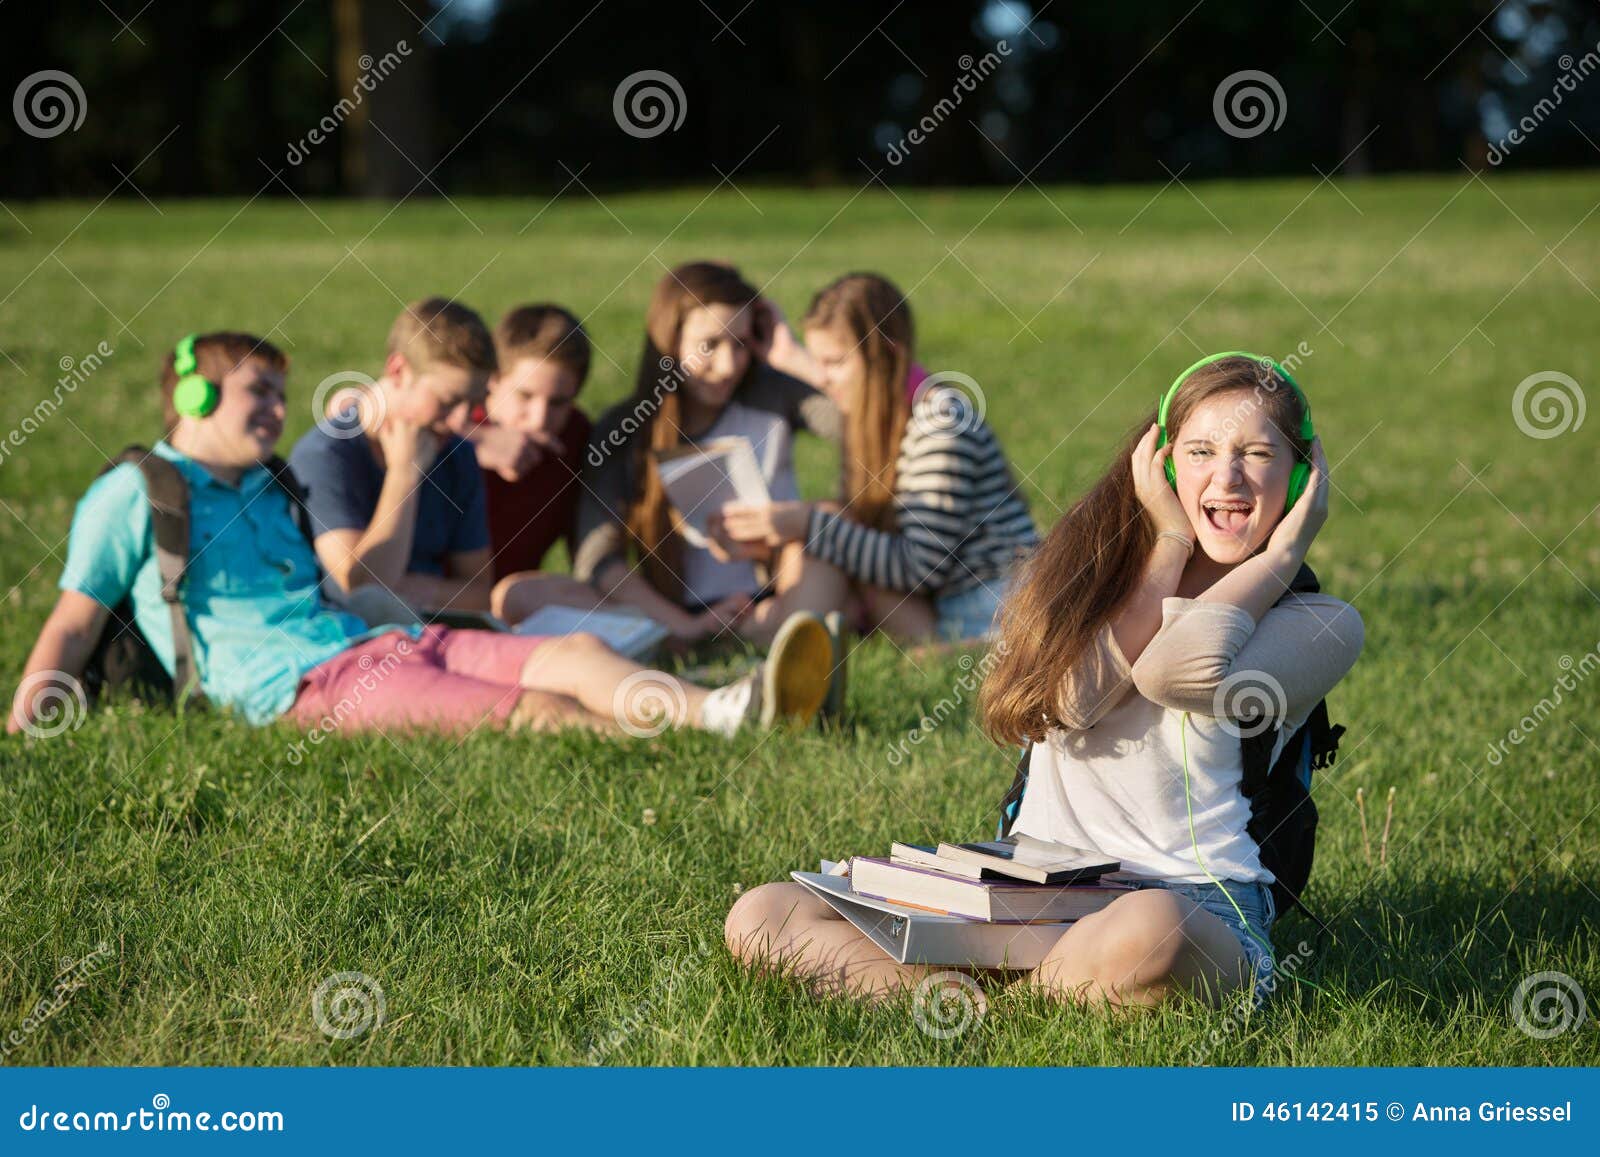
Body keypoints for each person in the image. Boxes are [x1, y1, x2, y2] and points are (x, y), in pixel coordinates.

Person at [723, 353, 1364, 1010]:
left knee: (1153, 931)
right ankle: (1028, 991)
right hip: (1031, 885)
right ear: (1164, 466)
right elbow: (1070, 702)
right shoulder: (1097, 583)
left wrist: (1284, 554)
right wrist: (1168, 545)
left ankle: (974, 995)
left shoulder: (1320, 621)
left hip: (1189, 908)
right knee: (761, 914)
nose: (1226, 477)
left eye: (1257, 453)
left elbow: (1176, 672)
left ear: (1299, 476)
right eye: (1200, 450)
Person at [7, 332, 834, 739]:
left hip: (382, 635)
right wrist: (28, 721)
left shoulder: (268, 485)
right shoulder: (133, 493)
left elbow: (359, 586)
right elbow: (75, 619)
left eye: (278, 393)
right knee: (532, 710)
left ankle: (726, 708)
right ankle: (693, 732)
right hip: (301, 687)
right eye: (256, 392)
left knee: (574, 655)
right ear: (192, 396)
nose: (273, 410)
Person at [720, 273, 1038, 643]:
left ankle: (768, 637)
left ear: (886, 354)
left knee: (827, 526)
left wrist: (809, 524)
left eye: (835, 362)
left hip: (994, 602)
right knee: (830, 525)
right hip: (954, 600)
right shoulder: (892, 412)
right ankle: (772, 636)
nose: (823, 379)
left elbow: (921, 569)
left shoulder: (940, 426)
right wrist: (787, 357)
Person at [574, 261, 843, 646]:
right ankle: (738, 640)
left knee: (830, 520)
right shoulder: (625, 427)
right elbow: (598, 559)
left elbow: (872, 430)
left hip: (779, 594)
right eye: (709, 345)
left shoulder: (773, 393)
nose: (727, 365)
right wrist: (685, 624)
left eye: (741, 344)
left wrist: (796, 361)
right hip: (671, 611)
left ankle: (780, 639)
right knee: (524, 594)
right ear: (670, 341)